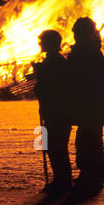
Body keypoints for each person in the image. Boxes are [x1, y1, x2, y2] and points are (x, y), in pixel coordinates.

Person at [65, 17, 104, 194]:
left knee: (89, 142)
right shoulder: (88, 52)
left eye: (78, 32)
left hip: (90, 106)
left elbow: (103, 82)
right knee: (88, 141)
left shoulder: (89, 54)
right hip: (89, 106)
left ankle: (92, 176)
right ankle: (93, 175)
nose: (76, 36)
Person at [31, 29, 74, 194]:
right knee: (55, 146)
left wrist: (40, 75)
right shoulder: (57, 61)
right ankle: (61, 179)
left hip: (57, 111)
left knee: (56, 147)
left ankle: (62, 181)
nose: (39, 44)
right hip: (57, 110)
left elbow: (47, 88)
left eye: (42, 41)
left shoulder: (52, 63)